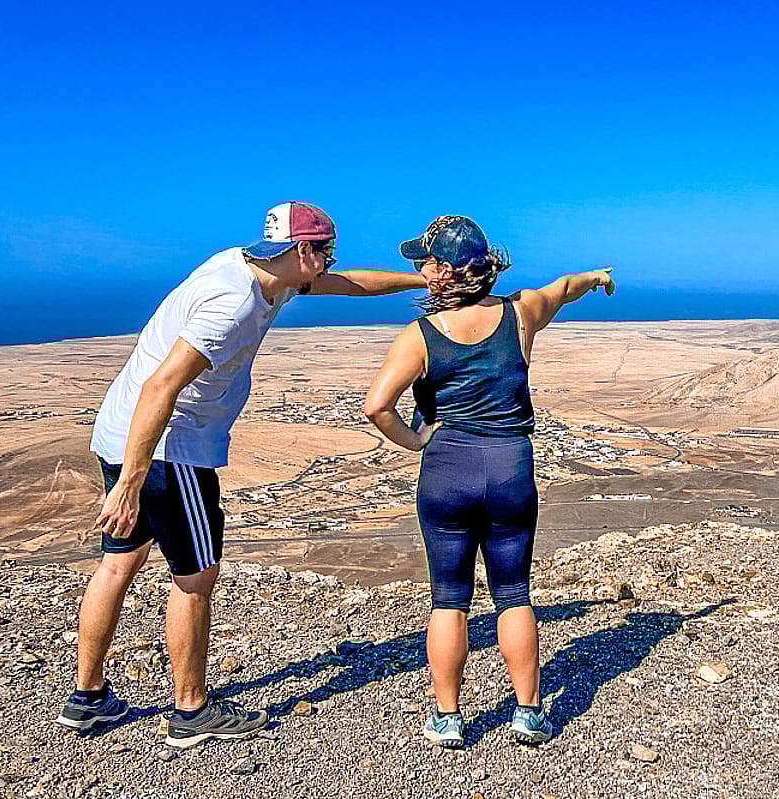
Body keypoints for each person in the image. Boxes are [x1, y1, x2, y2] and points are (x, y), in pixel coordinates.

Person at [57, 202, 427, 749]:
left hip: (120, 432)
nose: (329, 262)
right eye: (324, 251)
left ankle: (86, 700)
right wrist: (132, 483)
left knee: (119, 564)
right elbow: (162, 388)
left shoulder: (249, 268)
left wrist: (425, 278)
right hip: (169, 449)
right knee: (194, 578)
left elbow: (350, 285)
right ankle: (191, 711)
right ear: (301, 251)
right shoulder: (232, 304)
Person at [363, 215, 614, 748]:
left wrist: (418, 440)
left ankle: (448, 719)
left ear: (444, 272)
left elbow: (376, 406)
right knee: (513, 593)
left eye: (423, 262)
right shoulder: (520, 314)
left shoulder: (420, 338)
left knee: (449, 598)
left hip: (447, 471)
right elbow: (564, 287)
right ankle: (528, 713)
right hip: (510, 469)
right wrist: (597, 276)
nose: (418, 270)